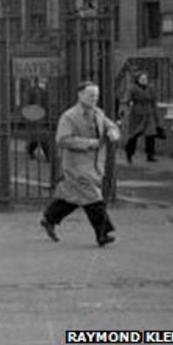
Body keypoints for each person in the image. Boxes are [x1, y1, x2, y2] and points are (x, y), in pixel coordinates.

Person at [40, 81, 120, 246]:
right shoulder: (69, 116)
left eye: (96, 95)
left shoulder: (98, 113)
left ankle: (49, 218)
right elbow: (62, 140)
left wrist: (113, 132)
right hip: (76, 165)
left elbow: (109, 125)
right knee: (93, 197)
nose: (94, 98)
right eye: (91, 95)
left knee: (74, 196)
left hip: (93, 165)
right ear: (80, 95)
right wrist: (88, 143)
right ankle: (103, 233)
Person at [120, 72, 161, 164]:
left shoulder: (150, 88)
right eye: (142, 79)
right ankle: (129, 153)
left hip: (149, 114)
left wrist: (156, 116)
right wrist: (124, 109)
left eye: (145, 79)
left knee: (150, 135)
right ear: (137, 80)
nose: (144, 81)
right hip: (137, 115)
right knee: (134, 135)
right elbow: (126, 100)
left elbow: (153, 102)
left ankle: (150, 154)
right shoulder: (133, 89)